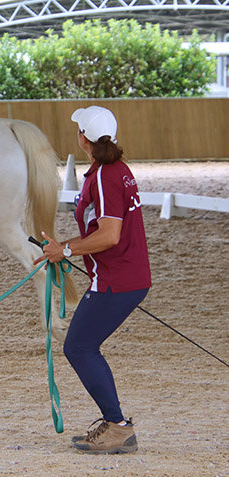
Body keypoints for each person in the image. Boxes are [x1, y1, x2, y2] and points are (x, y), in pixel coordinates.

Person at [34, 106, 152, 454]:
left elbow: (110, 235)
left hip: (117, 278)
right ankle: (115, 423)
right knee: (83, 346)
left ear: (83, 138)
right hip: (125, 275)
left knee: (79, 347)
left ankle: (117, 426)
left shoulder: (104, 176)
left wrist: (65, 250)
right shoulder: (113, 170)